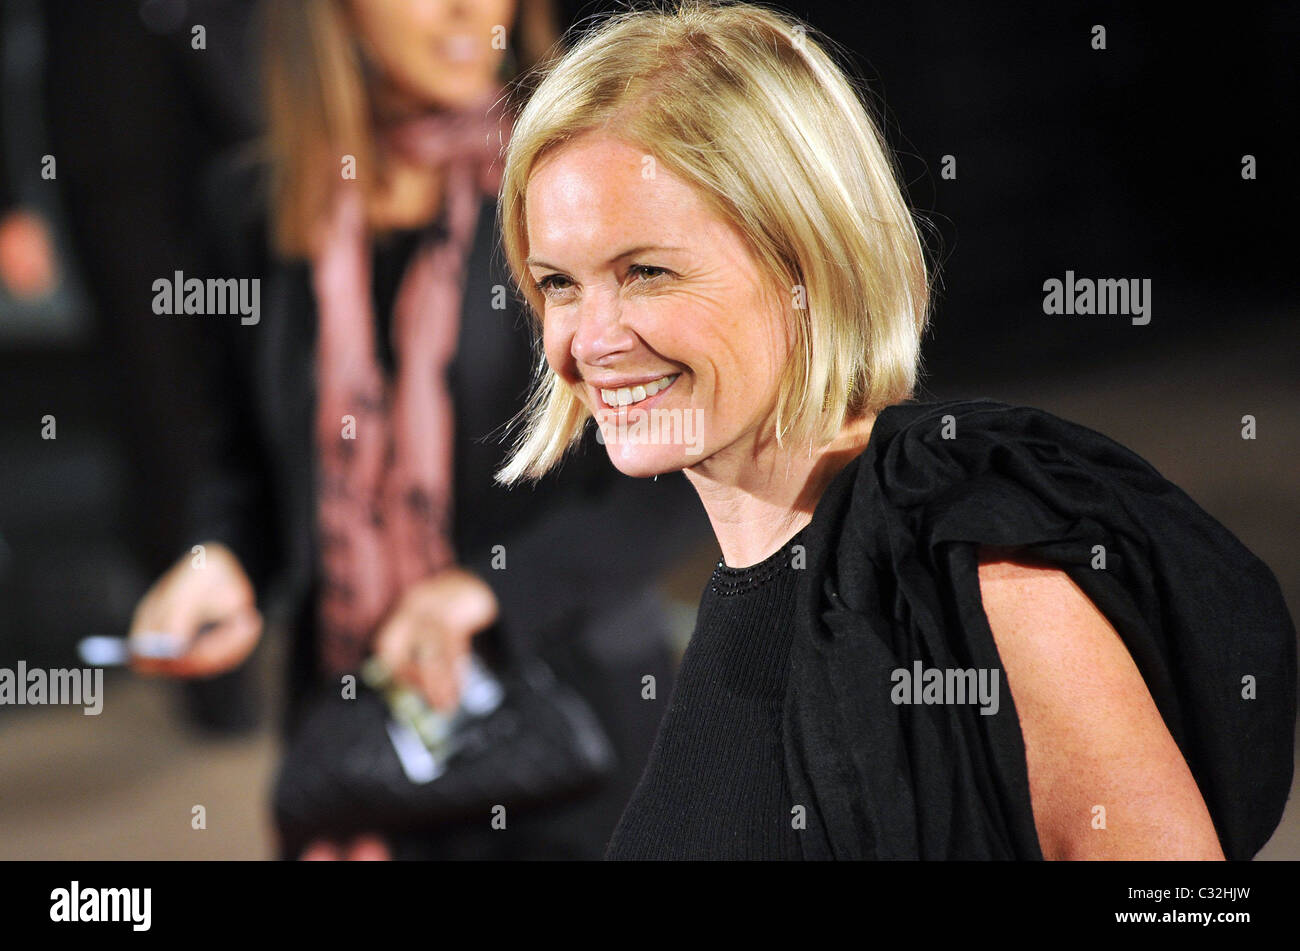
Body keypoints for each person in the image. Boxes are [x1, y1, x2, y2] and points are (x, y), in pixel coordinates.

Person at [493, 1, 1296, 859]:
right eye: (559, 283)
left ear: (808, 259)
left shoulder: (970, 567)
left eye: (646, 271)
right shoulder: (749, 585)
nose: (593, 338)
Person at [128, 0, 711, 860]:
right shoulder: (252, 202)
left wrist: (484, 591)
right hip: (357, 742)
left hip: (570, 740)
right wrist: (219, 564)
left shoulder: (591, 184)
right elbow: (243, 465)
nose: (468, 8)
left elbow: (686, 462)